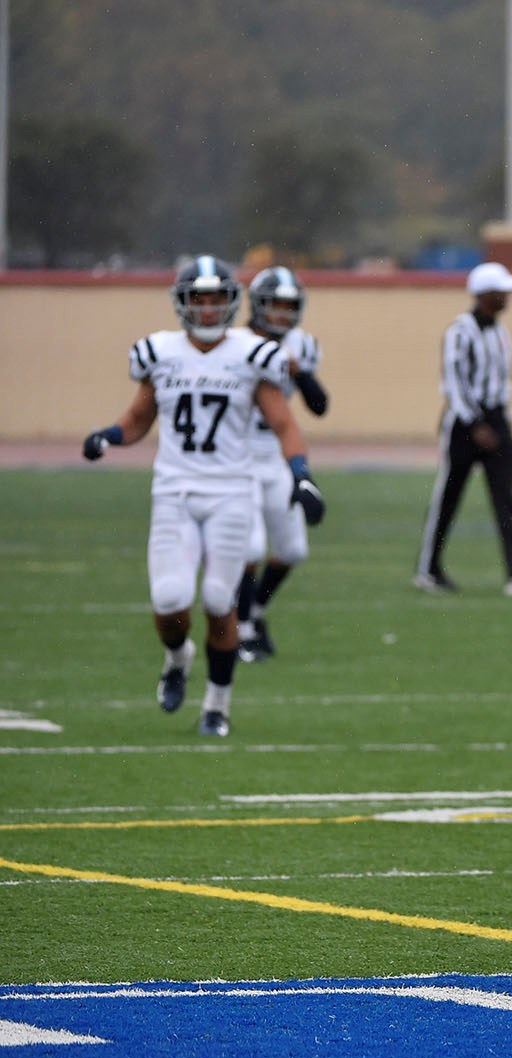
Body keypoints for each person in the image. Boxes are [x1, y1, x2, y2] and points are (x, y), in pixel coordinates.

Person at [80, 255, 325, 737]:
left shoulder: (252, 353)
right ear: (183, 303)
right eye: (200, 299)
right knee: (170, 599)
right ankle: (178, 657)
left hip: (231, 492)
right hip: (174, 490)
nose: (209, 309)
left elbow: (284, 423)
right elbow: (138, 419)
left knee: (218, 599)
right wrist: (107, 435)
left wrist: (302, 476)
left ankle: (217, 705)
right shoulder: (160, 352)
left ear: (231, 303)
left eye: (217, 300)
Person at [414, 262, 512, 597]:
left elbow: (501, 381)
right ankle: (428, 569)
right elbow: (454, 381)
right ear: (486, 294)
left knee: (506, 497)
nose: (508, 296)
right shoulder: (460, 331)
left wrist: (502, 420)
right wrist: (474, 423)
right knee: (448, 496)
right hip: (465, 424)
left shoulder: (501, 332)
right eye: (502, 290)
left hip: (497, 418)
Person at [234, 267, 330, 661]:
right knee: (250, 546)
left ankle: (255, 611)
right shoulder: (233, 342)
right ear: (257, 306)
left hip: (275, 454)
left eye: (289, 306)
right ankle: (240, 629)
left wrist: (299, 370)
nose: (282, 314)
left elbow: (320, 406)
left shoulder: (301, 346)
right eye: (275, 305)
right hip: (236, 454)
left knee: (292, 550)